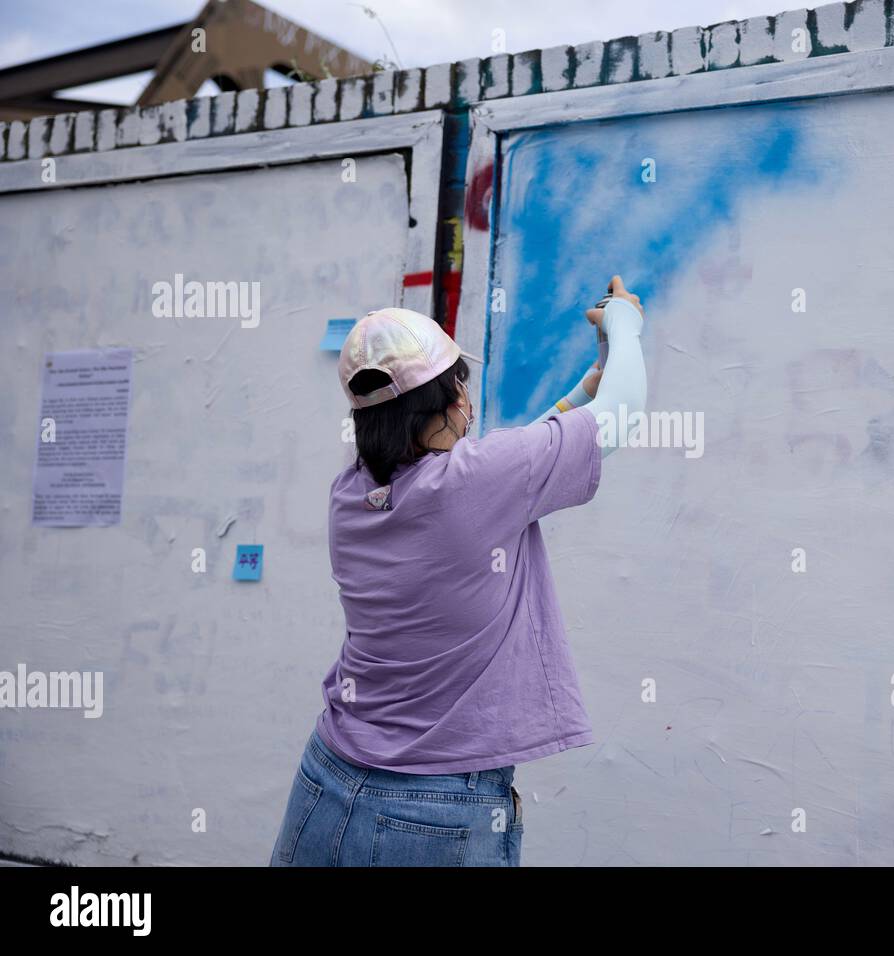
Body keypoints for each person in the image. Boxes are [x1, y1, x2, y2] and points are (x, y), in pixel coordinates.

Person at [269, 276, 646, 866]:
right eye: (462, 388)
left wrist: (584, 389)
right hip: (435, 807)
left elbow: (513, 472)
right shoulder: (473, 482)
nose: (470, 403)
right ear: (449, 402)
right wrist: (625, 323)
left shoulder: (352, 493)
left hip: (327, 779)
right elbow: (621, 417)